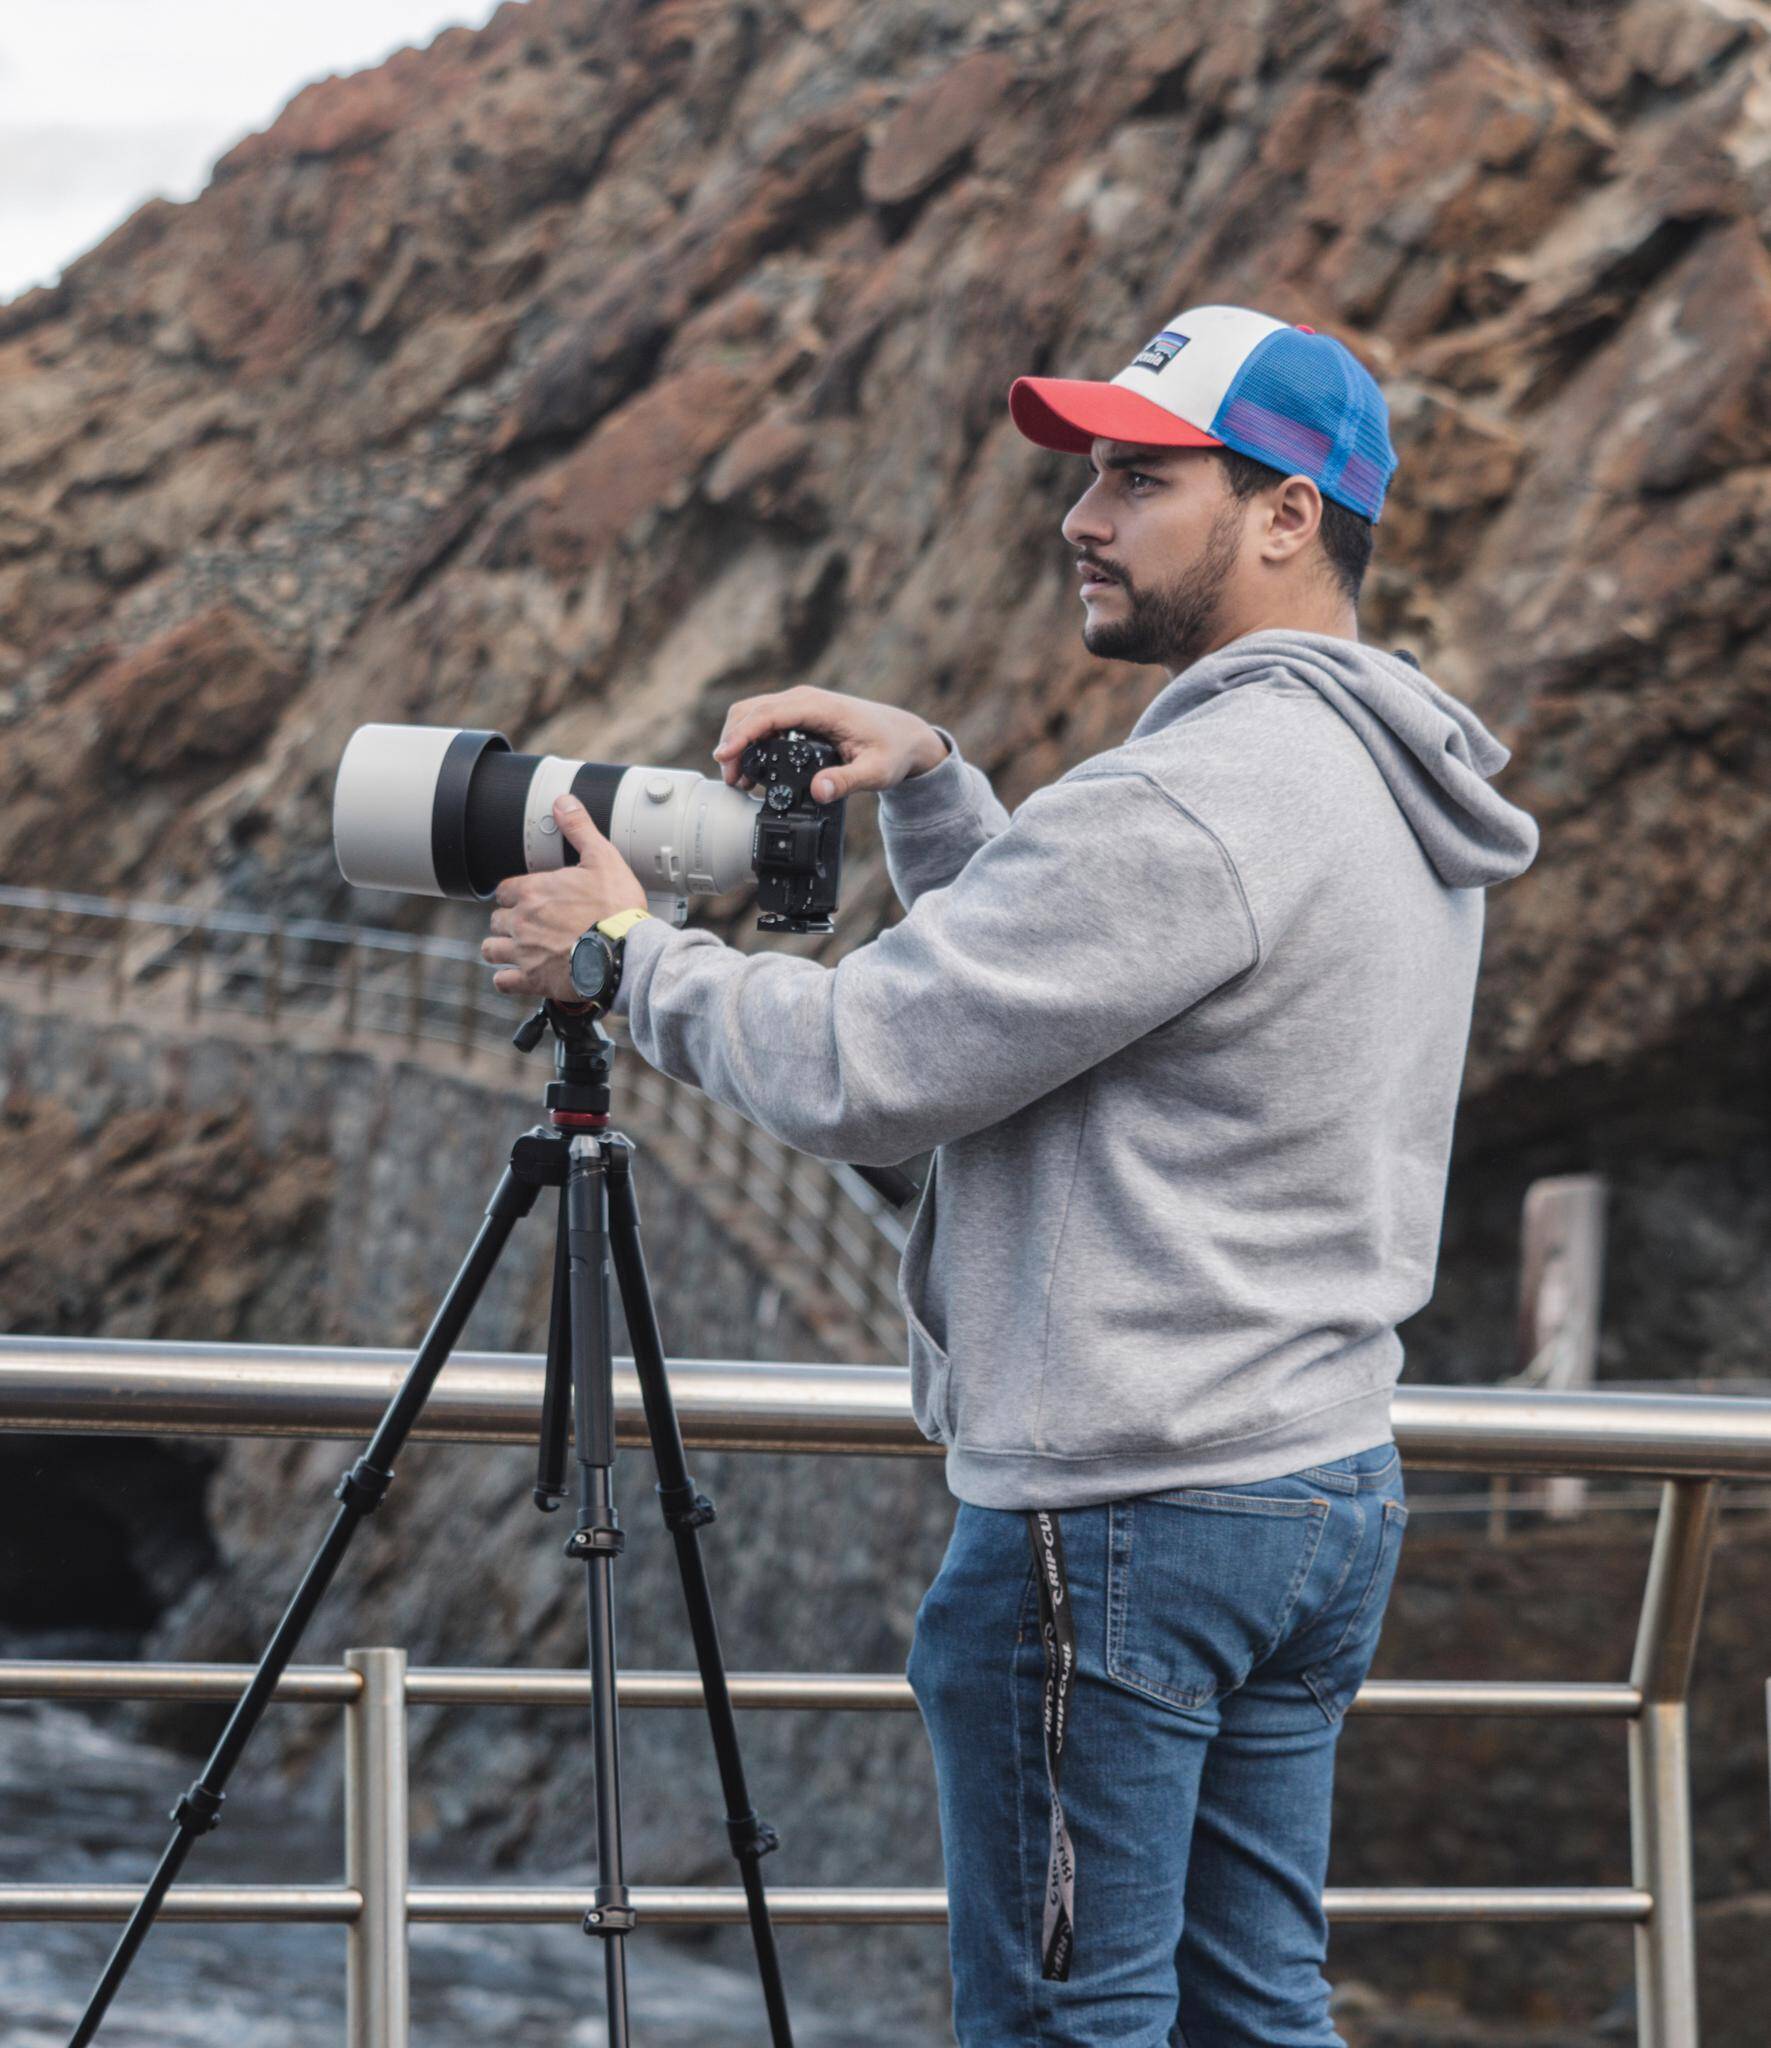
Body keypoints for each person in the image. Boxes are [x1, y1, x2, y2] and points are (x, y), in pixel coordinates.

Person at [480, 302, 1540, 2046]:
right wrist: (939, 790)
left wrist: (624, 960)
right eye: (1084, 472)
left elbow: (872, 1071)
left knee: (1067, 2026)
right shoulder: (1368, 763)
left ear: (1285, 513)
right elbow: (1112, 998)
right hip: (1307, 1490)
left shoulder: (1200, 793)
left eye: (1140, 474)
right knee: (1251, 2011)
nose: (1082, 514)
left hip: (1120, 1521)